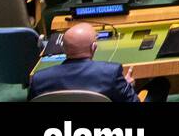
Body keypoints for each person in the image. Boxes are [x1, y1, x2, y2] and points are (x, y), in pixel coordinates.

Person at [28, 23, 170, 103]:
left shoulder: (38, 79)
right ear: (94, 47)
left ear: (63, 48)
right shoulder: (110, 73)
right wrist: (127, 86)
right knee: (161, 84)